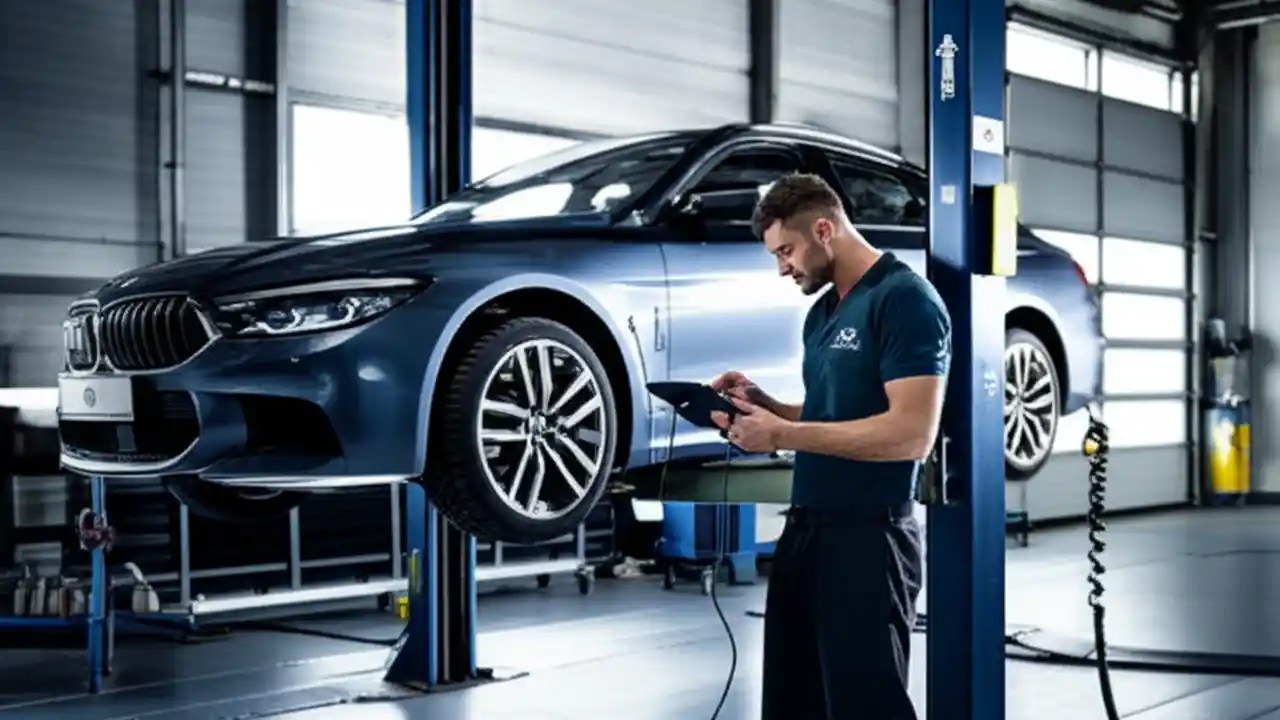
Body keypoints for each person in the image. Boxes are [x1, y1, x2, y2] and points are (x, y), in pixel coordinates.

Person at [709, 172, 950, 720]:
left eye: (786, 251)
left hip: (870, 537)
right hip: (806, 530)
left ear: (823, 230)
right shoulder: (821, 313)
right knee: (793, 703)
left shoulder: (905, 300)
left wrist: (782, 434)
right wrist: (766, 406)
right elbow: (830, 414)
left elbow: (911, 434)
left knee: (866, 706)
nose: (782, 268)